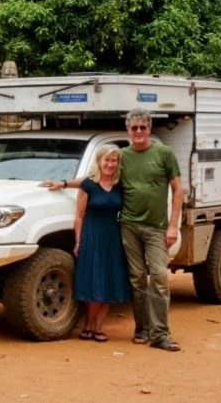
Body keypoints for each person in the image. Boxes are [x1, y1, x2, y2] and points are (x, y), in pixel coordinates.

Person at [42, 108, 184, 352]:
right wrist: (64, 183)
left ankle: (161, 333)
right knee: (137, 279)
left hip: (156, 228)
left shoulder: (164, 154)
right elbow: (96, 177)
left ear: (149, 129)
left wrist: (172, 225)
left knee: (159, 277)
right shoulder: (123, 156)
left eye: (143, 127)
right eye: (134, 127)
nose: (138, 131)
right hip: (128, 226)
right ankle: (142, 329)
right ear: (128, 130)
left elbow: (178, 190)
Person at [72, 143, 131, 342]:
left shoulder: (120, 184)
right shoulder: (88, 184)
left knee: (108, 281)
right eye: (107, 160)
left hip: (112, 235)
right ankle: (88, 324)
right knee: (94, 282)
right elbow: (79, 216)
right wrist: (78, 241)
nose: (110, 164)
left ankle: (98, 327)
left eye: (114, 160)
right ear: (99, 161)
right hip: (92, 234)